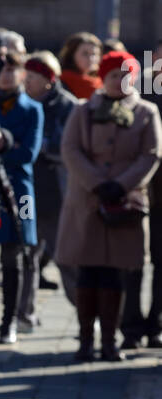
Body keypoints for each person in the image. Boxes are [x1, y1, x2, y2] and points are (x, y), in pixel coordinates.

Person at [56, 51, 162, 361]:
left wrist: (122, 185)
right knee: (87, 273)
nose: (120, 81)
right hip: (88, 203)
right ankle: (86, 340)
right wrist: (97, 183)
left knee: (117, 275)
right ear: (104, 78)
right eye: (114, 75)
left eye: (126, 74)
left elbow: (151, 154)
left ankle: (111, 341)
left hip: (124, 205)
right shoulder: (83, 110)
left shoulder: (146, 112)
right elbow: (70, 149)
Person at [0, 54, 44, 344]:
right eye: (2, 69)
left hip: (21, 191)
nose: (7, 75)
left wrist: (1, 147)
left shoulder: (33, 108)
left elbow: (28, 153)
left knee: (17, 253)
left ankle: (10, 320)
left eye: (13, 70)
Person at [23, 52, 78, 313]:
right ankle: (22, 315)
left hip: (57, 193)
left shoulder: (69, 106)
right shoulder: (18, 103)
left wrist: (40, 145)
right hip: (26, 193)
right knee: (26, 257)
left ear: (48, 78)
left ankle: (85, 315)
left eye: (32, 77)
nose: (27, 83)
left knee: (66, 258)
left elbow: (72, 146)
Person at [121, 40, 162, 348]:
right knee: (132, 262)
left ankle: (156, 325)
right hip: (136, 189)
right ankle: (130, 328)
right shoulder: (137, 91)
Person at [59, 32, 102, 100]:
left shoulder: (102, 82)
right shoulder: (62, 83)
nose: (91, 59)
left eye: (94, 54)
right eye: (85, 54)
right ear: (71, 55)